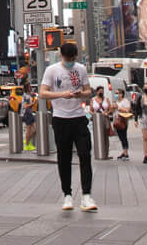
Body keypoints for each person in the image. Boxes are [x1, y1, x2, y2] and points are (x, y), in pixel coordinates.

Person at [40, 41, 96, 212]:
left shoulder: (80, 69)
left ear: (76, 56)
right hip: (60, 119)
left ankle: (86, 195)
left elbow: (88, 91)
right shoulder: (52, 70)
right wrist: (61, 94)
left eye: (72, 58)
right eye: (67, 58)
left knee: (85, 154)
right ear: (61, 56)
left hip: (79, 118)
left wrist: (81, 94)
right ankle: (67, 195)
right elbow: (42, 93)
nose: (70, 61)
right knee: (64, 158)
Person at [112, 90, 132, 160]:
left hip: (123, 121)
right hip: (116, 120)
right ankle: (123, 151)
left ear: (121, 94)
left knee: (124, 136)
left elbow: (127, 110)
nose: (116, 95)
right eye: (115, 93)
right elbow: (112, 111)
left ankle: (126, 153)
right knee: (120, 137)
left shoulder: (125, 101)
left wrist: (118, 107)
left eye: (117, 93)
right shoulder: (116, 102)